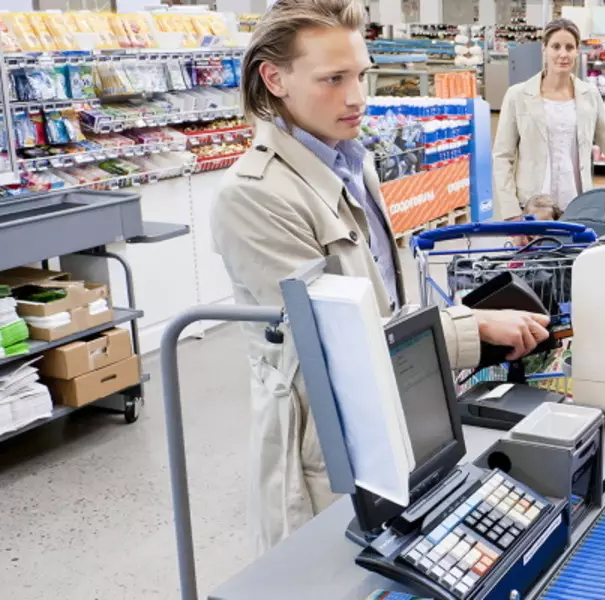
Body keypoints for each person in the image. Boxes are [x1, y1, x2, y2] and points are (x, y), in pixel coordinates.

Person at [211, 0, 549, 554]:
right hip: (330, 451)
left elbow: (384, 299)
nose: (356, 97)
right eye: (333, 78)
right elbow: (337, 343)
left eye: (361, 74)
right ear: (275, 79)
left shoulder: (353, 161)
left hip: (398, 411)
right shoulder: (256, 196)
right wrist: (472, 329)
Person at [493, 19, 605, 220]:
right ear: (544, 49)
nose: (563, 54)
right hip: (531, 208)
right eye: (556, 46)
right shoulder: (518, 95)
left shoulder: (589, 95)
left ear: (577, 51)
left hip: (575, 205)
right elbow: (503, 156)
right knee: (532, 252)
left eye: (569, 47)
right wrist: (511, 213)